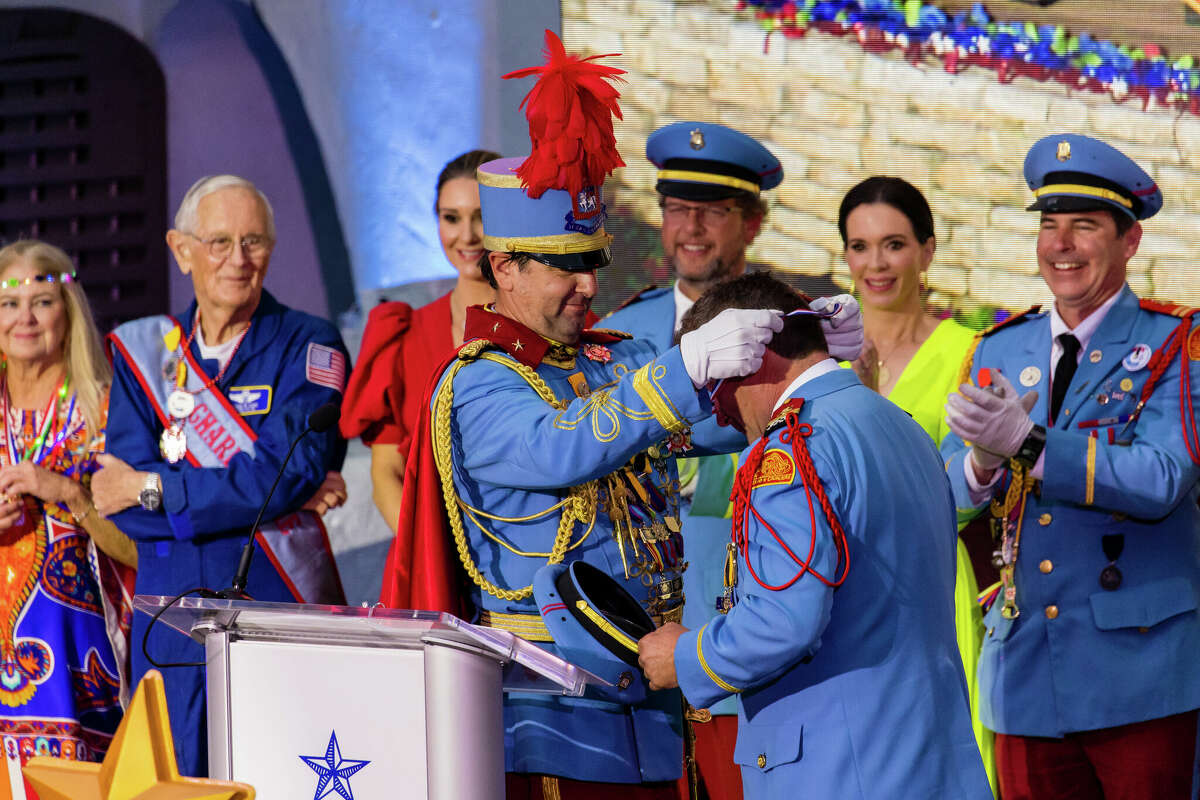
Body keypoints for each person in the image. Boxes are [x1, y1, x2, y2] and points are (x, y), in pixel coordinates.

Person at [385, 32, 783, 798]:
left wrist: (795, 360)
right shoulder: (478, 387)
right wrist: (687, 363)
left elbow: (707, 424)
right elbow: (563, 447)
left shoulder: (615, 359)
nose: (587, 290)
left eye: (591, 266)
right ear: (504, 267)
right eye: (564, 268)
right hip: (551, 717)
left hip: (653, 698)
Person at [637, 272, 992, 799]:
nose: (716, 409)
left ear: (751, 360)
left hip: (840, 770)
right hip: (930, 760)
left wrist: (686, 657)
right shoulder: (899, 422)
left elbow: (784, 621)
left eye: (712, 383)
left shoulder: (788, 450)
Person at [602, 122, 862, 800]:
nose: (691, 228)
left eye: (713, 211)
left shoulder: (797, 327)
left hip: (748, 621)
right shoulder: (622, 333)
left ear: (752, 221)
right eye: (677, 208)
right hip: (642, 619)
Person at [941, 133, 1200, 799]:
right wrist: (979, 464)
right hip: (1026, 674)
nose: (1061, 246)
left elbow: (1162, 479)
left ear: (1129, 242)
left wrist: (1029, 445)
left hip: (1140, 676)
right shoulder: (1001, 345)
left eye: (1084, 227)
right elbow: (946, 502)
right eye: (1049, 227)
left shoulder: (1174, 342)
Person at [91, 174, 350, 777]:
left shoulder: (308, 344)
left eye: (254, 241)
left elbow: (285, 475)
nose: (238, 260)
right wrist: (243, 490)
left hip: (274, 601)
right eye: (219, 242)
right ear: (181, 250)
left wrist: (157, 486)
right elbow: (116, 498)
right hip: (170, 614)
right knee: (175, 781)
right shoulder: (142, 353)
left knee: (280, 772)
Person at [837, 175, 995, 792]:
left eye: (894, 244)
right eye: (860, 246)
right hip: (834, 582)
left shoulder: (970, 351)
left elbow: (958, 495)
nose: (875, 263)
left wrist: (871, 415)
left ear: (928, 251)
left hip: (930, 580)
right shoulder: (815, 352)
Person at [0, 240, 136, 793]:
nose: (25, 318)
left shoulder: (107, 409)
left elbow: (137, 547)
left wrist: (67, 493)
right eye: (10, 303)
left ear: (69, 311)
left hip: (81, 662)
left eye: (43, 301)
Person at [341, 149, 500, 538]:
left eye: (482, 216)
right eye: (452, 218)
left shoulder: (556, 328)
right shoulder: (403, 334)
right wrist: (431, 552)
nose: (467, 235)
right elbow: (386, 471)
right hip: (430, 567)